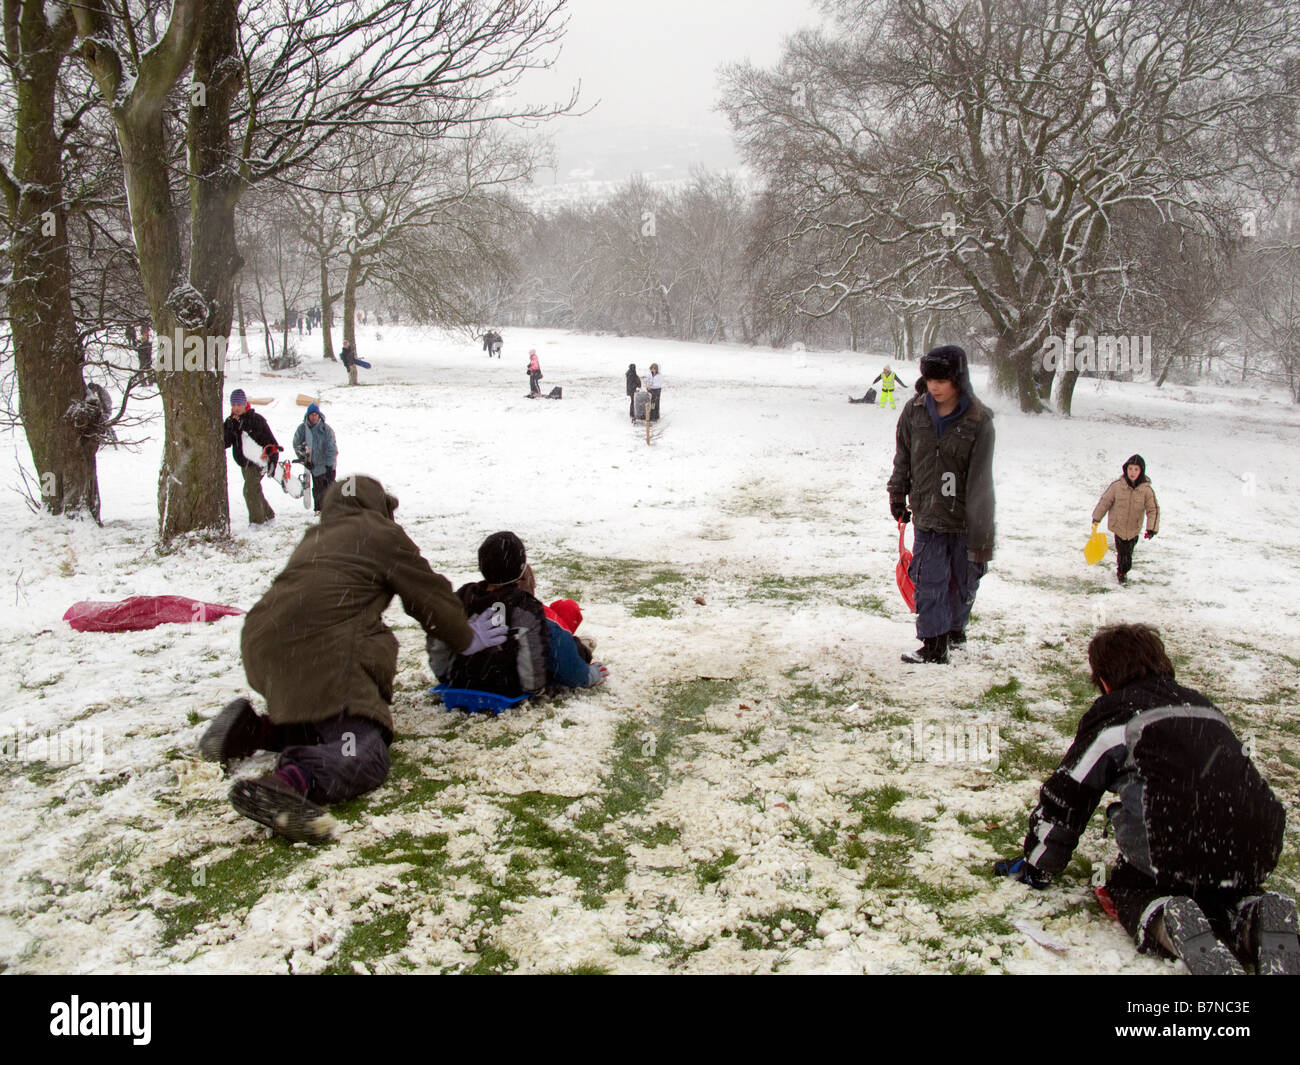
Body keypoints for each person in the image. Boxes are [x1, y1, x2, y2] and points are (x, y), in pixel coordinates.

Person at [198, 475, 507, 841]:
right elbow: (427, 593)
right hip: (325, 651)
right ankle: (290, 782)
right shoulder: (380, 533)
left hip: (264, 646)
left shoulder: (317, 536)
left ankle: (254, 730)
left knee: (323, 715)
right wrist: (467, 637)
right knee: (364, 750)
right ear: (379, 507)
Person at [995, 624, 1296, 975]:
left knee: (1130, 885)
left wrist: (1038, 864)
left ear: (1105, 680)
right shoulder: (1204, 707)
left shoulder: (1116, 714)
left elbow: (1069, 792)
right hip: (1252, 844)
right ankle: (1254, 914)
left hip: (1172, 842)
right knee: (1223, 885)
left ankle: (1167, 920)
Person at [887, 344, 994, 664]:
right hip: (928, 513)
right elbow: (904, 455)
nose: (934, 386)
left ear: (958, 379)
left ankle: (954, 629)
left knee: (964, 579)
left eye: (942, 380)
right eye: (929, 378)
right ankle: (933, 644)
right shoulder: (914, 411)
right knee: (929, 578)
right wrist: (897, 492)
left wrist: (982, 530)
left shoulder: (979, 420)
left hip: (964, 518)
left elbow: (981, 479)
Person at [428, 531, 608, 696]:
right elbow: (559, 657)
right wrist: (588, 675)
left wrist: (446, 676)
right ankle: (581, 648)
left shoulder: (462, 597)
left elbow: (439, 637)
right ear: (521, 569)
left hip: (461, 680)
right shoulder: (525, 608)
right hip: (507, 685)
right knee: (555, 636)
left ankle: (579, 646)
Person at [1091, 454, 1159, 585]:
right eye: (1130, 469)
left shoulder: (1146, 491)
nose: (1132, 472)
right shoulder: (1117, 486)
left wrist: (1151, 528)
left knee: (1128, 551)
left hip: (1134, 527)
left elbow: (1153, 509)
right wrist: (1096, 518)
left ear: (1141, 471)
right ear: (1126, 469)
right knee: (1123, 552)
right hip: (1119, 526)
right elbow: (1105, 501)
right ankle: (1122, 573)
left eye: (1136, 469)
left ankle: (1123, 569)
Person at [222, 389, 280, 526]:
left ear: (245, 404)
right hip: (244, 464)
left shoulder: (256, 420)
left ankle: (257, 522)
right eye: (234, 405)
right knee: (254, 489)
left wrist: (272, 460)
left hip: (258, 461)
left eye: (239, 405)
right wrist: (231, 428)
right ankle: (269, 516)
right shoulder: (230, 421)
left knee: (249, 490)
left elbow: (272, 442)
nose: (236, 408)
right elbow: (225, 443)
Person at [292, 402, 338, 513]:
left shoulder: (326, 429)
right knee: (317, 489)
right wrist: (303, 458)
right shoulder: (302, 429)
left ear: (319, 415)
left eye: (316, 414)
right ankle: (319, 510)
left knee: (330, 487)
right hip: (313, 465)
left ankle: (334, 508)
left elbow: (331, 448)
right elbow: (296, 444)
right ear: (308, 415)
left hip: (327, 465)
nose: (314, 417)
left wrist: (330, 465)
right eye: (312, 414)